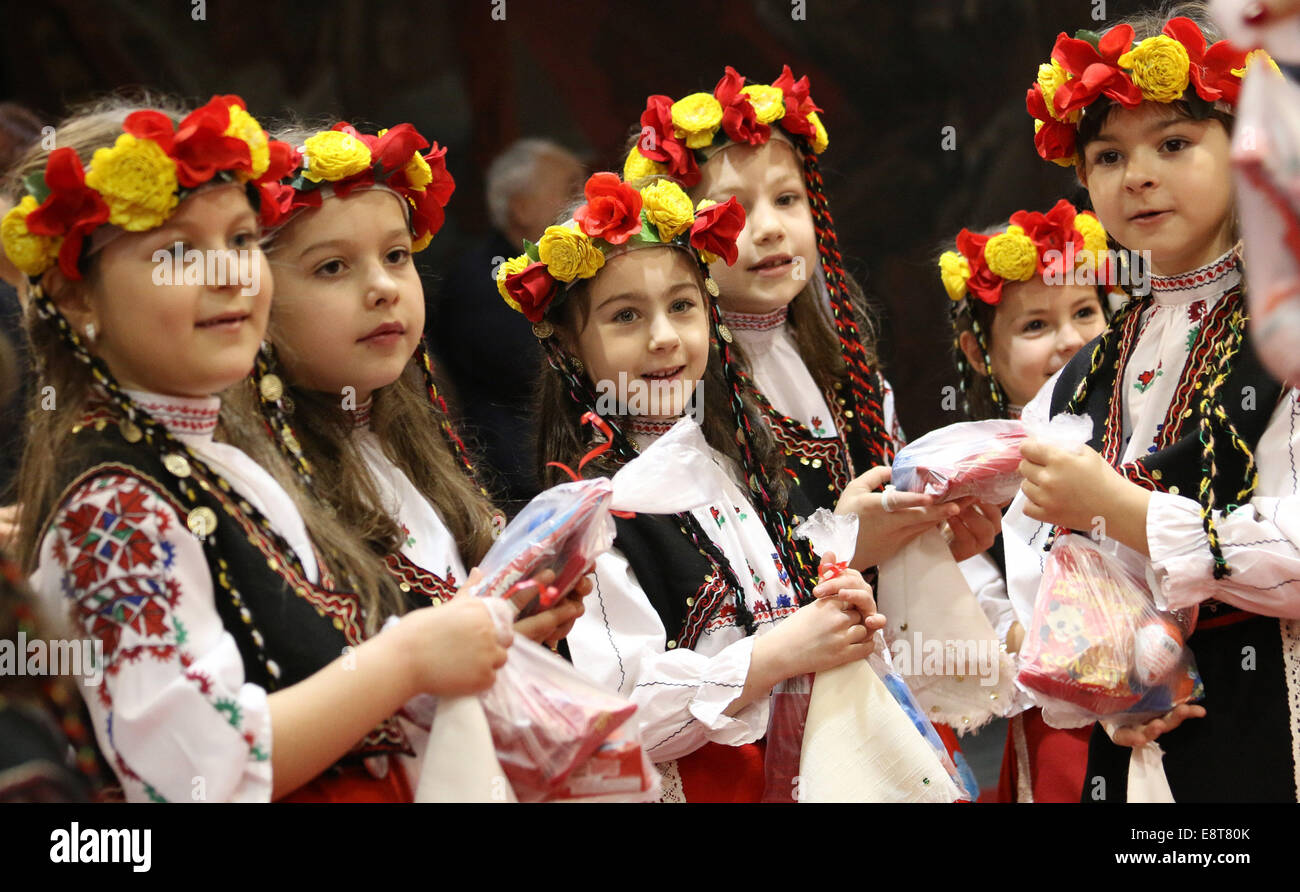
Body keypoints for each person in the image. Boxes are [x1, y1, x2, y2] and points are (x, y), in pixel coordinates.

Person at [5, 95, 515, 802]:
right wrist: (408, 658)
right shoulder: (113, 504)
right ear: (74, 296)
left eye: (242, 240)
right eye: (179, 252)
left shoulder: (222, 464)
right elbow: (197, 774)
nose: (231, 275)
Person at [496, 170, 881, 801]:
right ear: (567, 341)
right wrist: (776, 656)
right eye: (626, 316)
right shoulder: (592, 513)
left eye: (682, 306)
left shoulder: (738, 465)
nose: (665, 337)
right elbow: (619, 717)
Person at [1008, 4, 1300, 801]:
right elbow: (1046, 563)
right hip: (1146, 726)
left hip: (1276, 702)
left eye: (1173, 144)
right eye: (1107, 156)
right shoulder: (1089, 367)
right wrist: (1108, 682)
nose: (1136, 175)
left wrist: (1126, 511)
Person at [939, 199, 1111, 801]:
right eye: (1035, 325)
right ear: (975, 350)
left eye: (1085, 311)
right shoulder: (961, 474)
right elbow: (979, 611)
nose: (1070, 341)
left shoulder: (1145, 432)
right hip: (1053, 716)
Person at [431, 139, 584, 513]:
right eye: (571, 188)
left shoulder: (564, 272)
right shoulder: (479, 281)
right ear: (521, 207)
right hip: (524, 487)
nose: (585, 198)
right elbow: (534, 369)